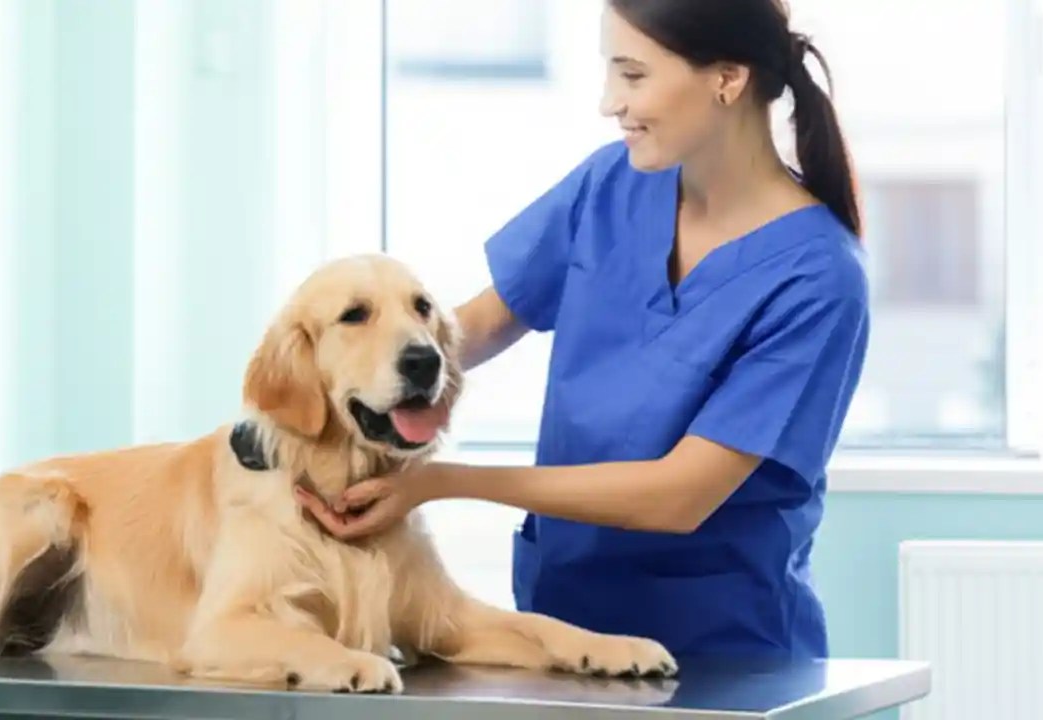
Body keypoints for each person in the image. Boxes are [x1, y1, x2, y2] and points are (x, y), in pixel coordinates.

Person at [297, 0, 870, 662]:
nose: (609, 102)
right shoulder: (611, 184)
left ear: (727, 79)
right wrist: (339, 380)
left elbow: (678, 497)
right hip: (565, 627)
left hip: (720, 648)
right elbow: (476, 326)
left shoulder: (817, 278)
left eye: (632, 75)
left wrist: (439, 480)